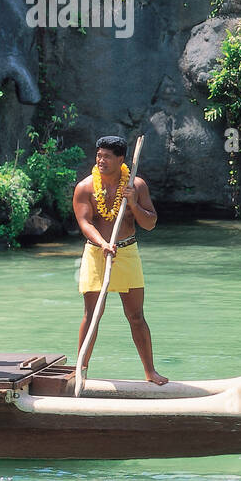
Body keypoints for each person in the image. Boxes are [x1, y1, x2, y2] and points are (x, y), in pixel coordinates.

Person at [72, 135, 166, 384]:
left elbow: (150, 224)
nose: (101, 160)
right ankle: (80, 369)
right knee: (92, 314)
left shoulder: (137, 185)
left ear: (121, 159)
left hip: (127, 251)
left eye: (107, 156)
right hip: (96, 252)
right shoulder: (86, 187)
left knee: (136, 315)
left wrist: (133, 203)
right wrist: (103, 243)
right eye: (98, 155)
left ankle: (150, 372)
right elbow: (84, 222)